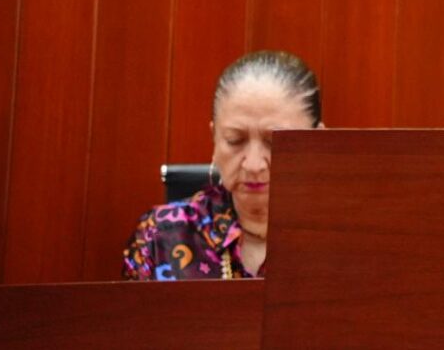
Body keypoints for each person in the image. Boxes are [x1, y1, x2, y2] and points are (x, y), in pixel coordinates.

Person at [123, 50, 322, 280]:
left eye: (275, 142)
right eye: (235, 140)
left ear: (318, 140)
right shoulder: (160, 237)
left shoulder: (354, 240)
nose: (254, 165)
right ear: (214, 138)